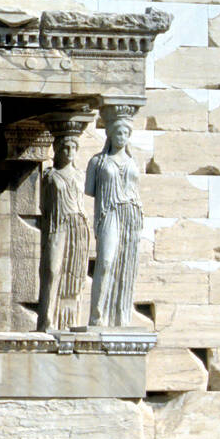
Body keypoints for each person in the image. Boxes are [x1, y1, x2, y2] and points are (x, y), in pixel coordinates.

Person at [85, 111, 142, 327]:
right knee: (106, 261)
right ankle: (97, 315)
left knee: (126, 263)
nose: (122, 136)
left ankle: (121, 316)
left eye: (126, 133)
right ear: (110, 134)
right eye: (118, 132)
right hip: (108, 212)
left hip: (132, 214)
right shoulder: (98, 162)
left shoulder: (133, 161)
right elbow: (90, 190)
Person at [37, 130, 89, 331]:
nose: (69, 152)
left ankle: (68, 321)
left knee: (75, 273)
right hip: (57, 225)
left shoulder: (80, 175)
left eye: (73, 148)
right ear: (57, 150)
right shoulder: (50, 175)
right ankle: (47, 320)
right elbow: (43, 206)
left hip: (78, 226)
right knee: (52, 269)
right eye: (65, 148)